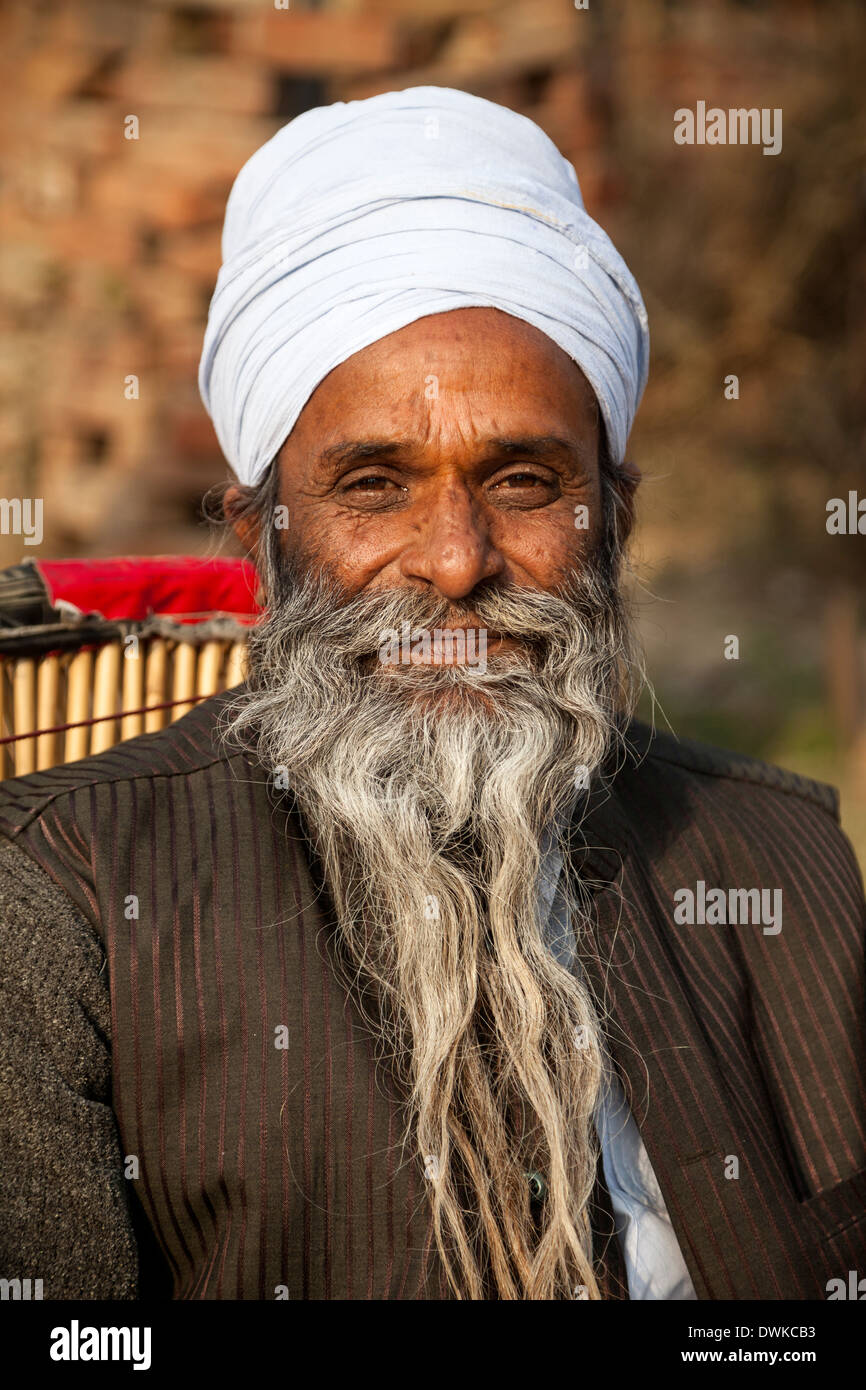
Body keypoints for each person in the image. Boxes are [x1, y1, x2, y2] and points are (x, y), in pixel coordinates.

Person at [0, 87, 863, 1302]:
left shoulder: (787, 858)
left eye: (520, 480)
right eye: (372, 485)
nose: (455, 560)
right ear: (262, 533)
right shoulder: (61, 897)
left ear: (613, 519)